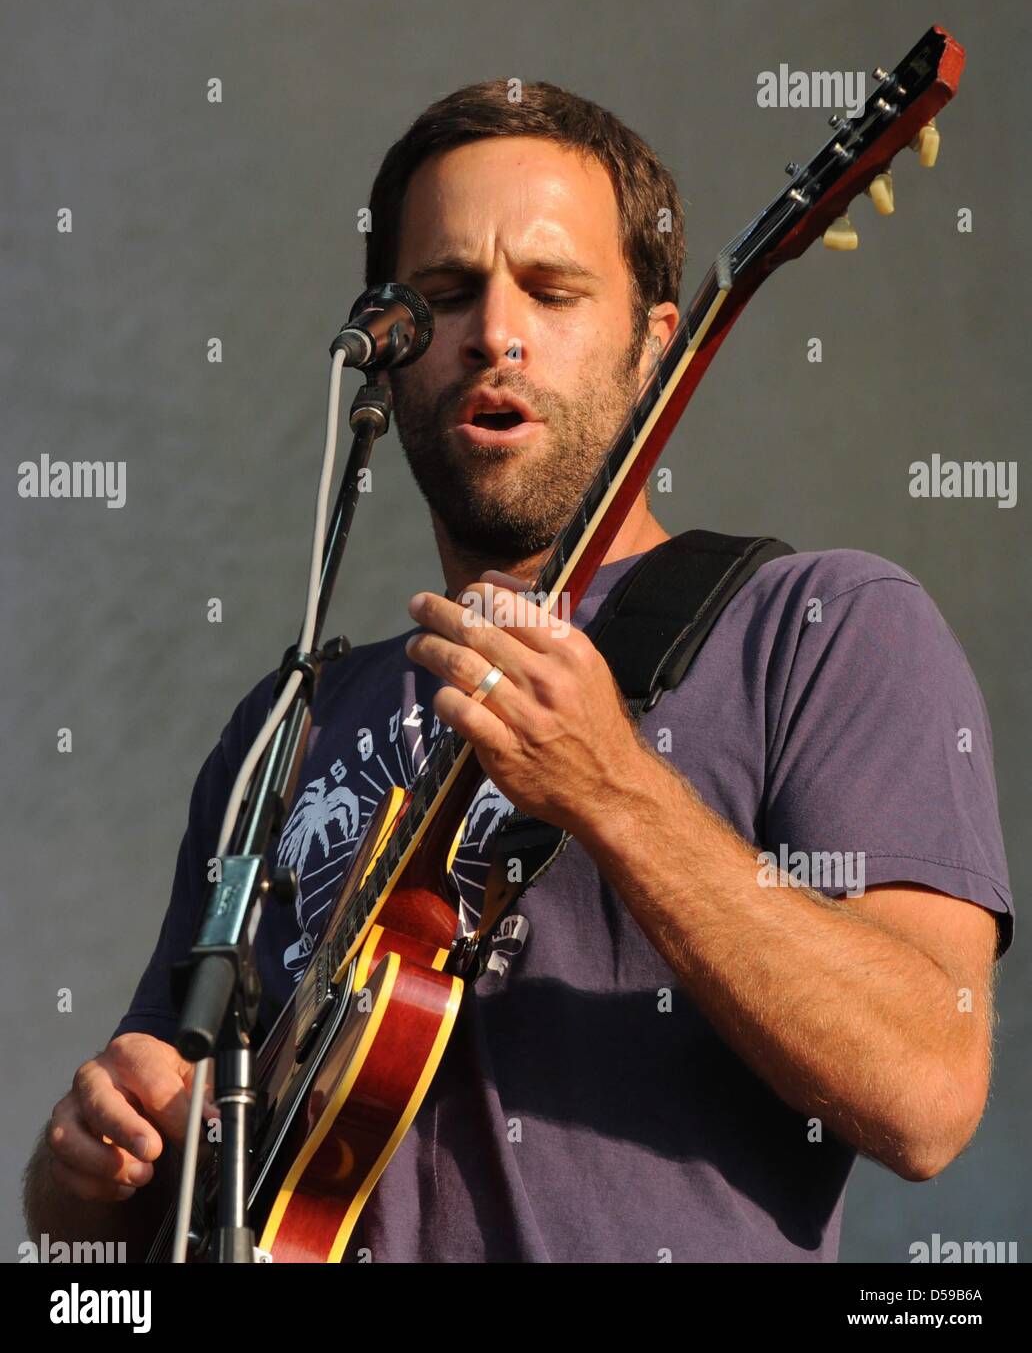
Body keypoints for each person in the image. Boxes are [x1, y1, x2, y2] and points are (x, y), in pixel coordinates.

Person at [24, 79, 1012, 1263]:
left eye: (552, 290)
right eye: (446, 294)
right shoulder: (282, 728)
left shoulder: (823, 628)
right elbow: (114, 1231)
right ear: (387, 354)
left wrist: (614, 789)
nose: (497, 332)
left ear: (655, 345)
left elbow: (928, 1090)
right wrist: (89, 1166)